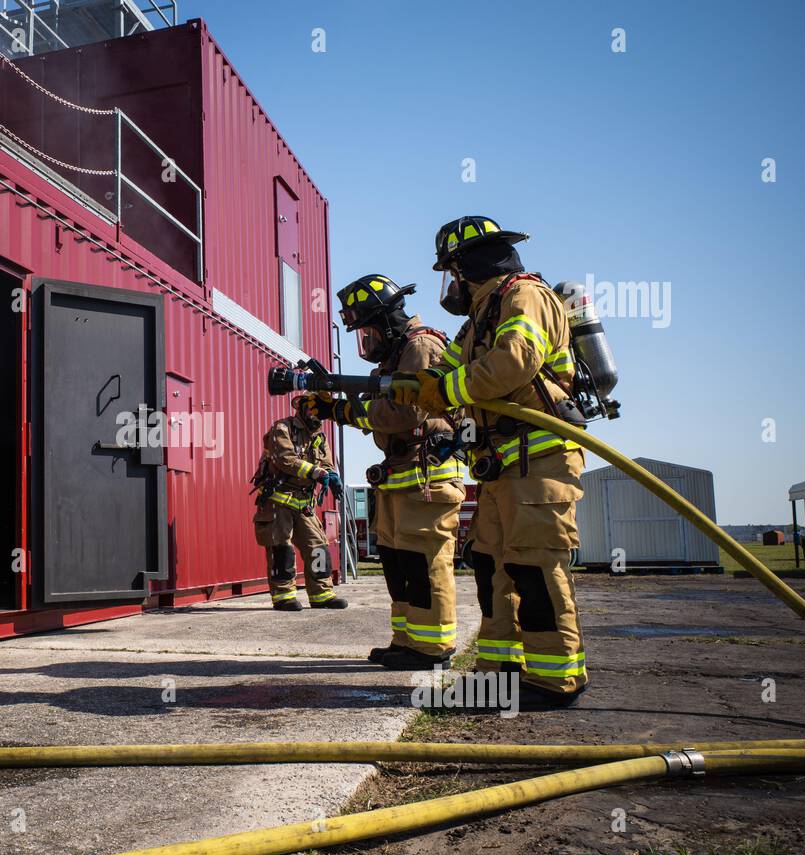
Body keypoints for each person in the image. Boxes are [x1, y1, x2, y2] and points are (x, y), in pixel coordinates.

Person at [391, 216, 588, 708]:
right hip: (501, 465)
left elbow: (514, 361)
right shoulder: (481, 315)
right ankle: (498, 675)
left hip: (540, 461)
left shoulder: (525, 296)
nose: (451, 285)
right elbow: (449, 370)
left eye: (452, 273)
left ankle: (556, 678)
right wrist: (410, 385)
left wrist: (447, 389)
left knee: (535, 568)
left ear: (467, 266)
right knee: (493, 567)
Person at [324, 275, 464, 669]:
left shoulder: (420, 345)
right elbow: (382, 413)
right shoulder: (396, 354)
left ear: (386, 321)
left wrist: (346, 411)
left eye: (367, 330)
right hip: (400, 476)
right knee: (398, 563)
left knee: (425, 562)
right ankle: (408, 640)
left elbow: (406, 411)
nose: (365, 341)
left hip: (427, 478)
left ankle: (434, 647)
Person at [252, 395, 348, 610]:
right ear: (301, 409)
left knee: (318, 547)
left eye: (318, 409)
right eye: (310, 408)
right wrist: (318, 473)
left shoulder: (320, 438)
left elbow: (326, 464)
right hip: (278, 499)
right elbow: (285, 459)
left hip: (304, 502)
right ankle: (284, 597)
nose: (315, 413)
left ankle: (322, 595)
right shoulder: (282, 428)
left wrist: (332, 476)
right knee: (282, 549)